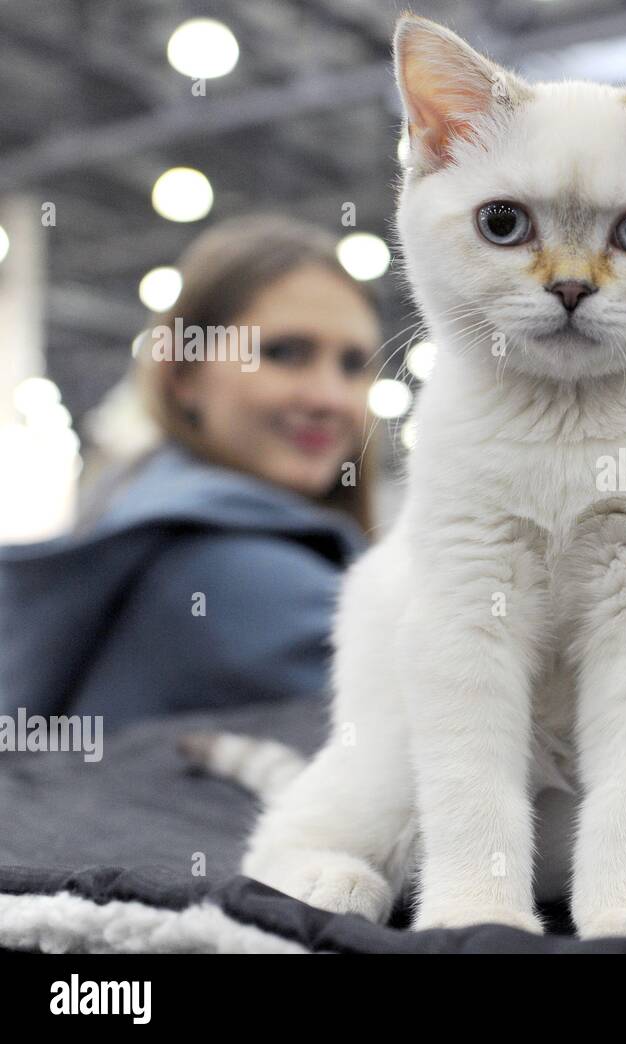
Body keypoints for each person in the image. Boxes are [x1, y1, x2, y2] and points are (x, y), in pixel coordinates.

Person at [0, 216, 383, 730]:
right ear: (183, 373)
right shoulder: (249, 580)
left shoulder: (133, 517)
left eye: (354, 364)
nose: (329, 397)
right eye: (285, 353)